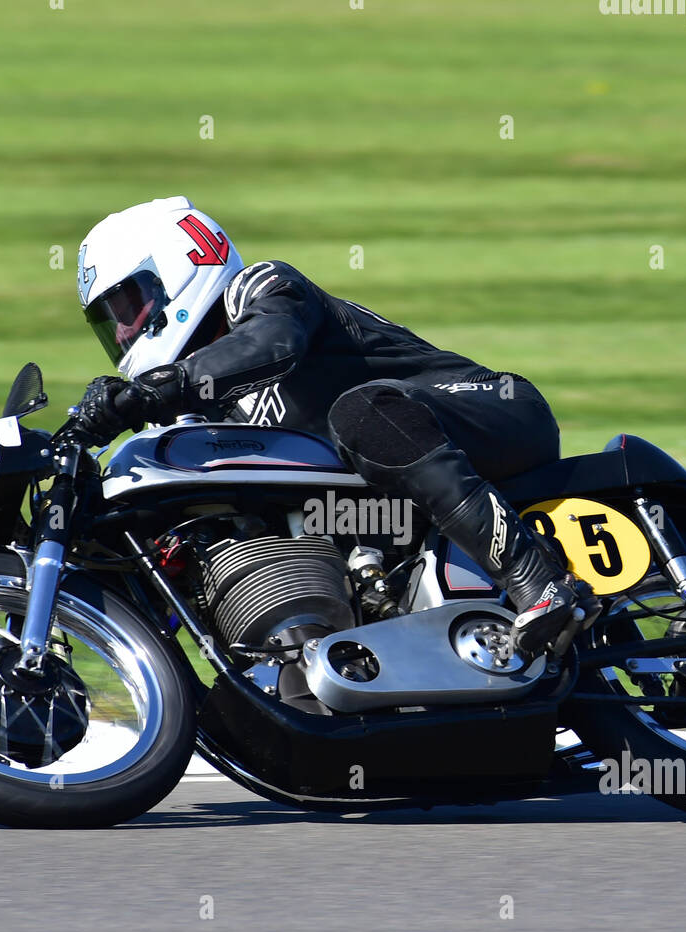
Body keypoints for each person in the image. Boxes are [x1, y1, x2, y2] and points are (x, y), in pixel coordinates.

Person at [71, 196, 597, 659]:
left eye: (129, 306)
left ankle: (537, 577)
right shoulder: (199, 416)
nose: (121, 331)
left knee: (362, 411)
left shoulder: (260, 287)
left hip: (493, 412)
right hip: (394, 507)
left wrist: (153, 390)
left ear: (181, 269)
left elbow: (272, 343)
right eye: (108, 320)